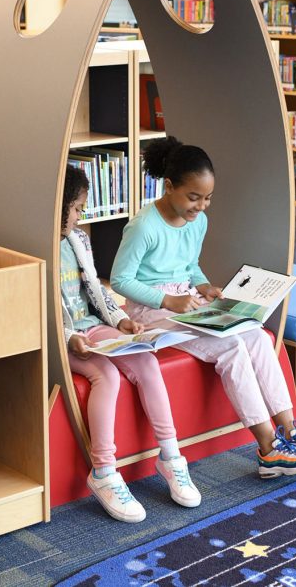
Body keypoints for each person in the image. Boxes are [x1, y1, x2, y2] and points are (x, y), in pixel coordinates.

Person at [110, 137, 296, 479]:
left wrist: (204, 286)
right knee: (230, 346)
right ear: (168, 186)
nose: (201, 206)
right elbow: (120, 280)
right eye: (193, 197)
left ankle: (290, 429)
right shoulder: (143, 226)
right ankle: (268, 448)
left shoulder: (197, 221)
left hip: (187, 301)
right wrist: (168, 300)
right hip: (150, 310)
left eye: (208, 198)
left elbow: (190, 265)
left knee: (256, 334)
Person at [60, 164, 200, 523]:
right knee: (106, 376)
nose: (80, 216)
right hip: (64, 338)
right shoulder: (36, 247)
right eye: (76, 208)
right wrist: (69, 338)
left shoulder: (78, 240)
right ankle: (104, 471)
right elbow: (38, 312)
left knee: (146, 360)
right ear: (59, 206)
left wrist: (120, 320)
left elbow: (96, 290)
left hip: (93, 327)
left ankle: (171, 456)